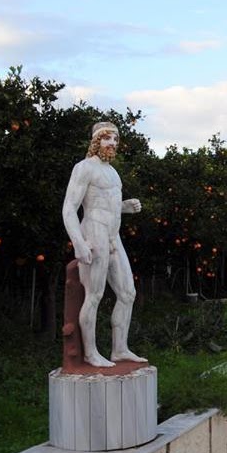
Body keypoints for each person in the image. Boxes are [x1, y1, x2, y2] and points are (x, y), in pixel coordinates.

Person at [62, 122, 147, 368]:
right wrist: (78, 241)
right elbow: (70, 207)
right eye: (106, 138)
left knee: (128, 293)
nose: (112, 143)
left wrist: (125, 207)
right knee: (95, 294)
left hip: (113, 235)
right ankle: (90, 353)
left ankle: (119, 349)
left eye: (116, 139)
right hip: (94, 232)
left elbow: (107, 203)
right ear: (96, 141)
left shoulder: (113, 172)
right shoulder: (84, 168)